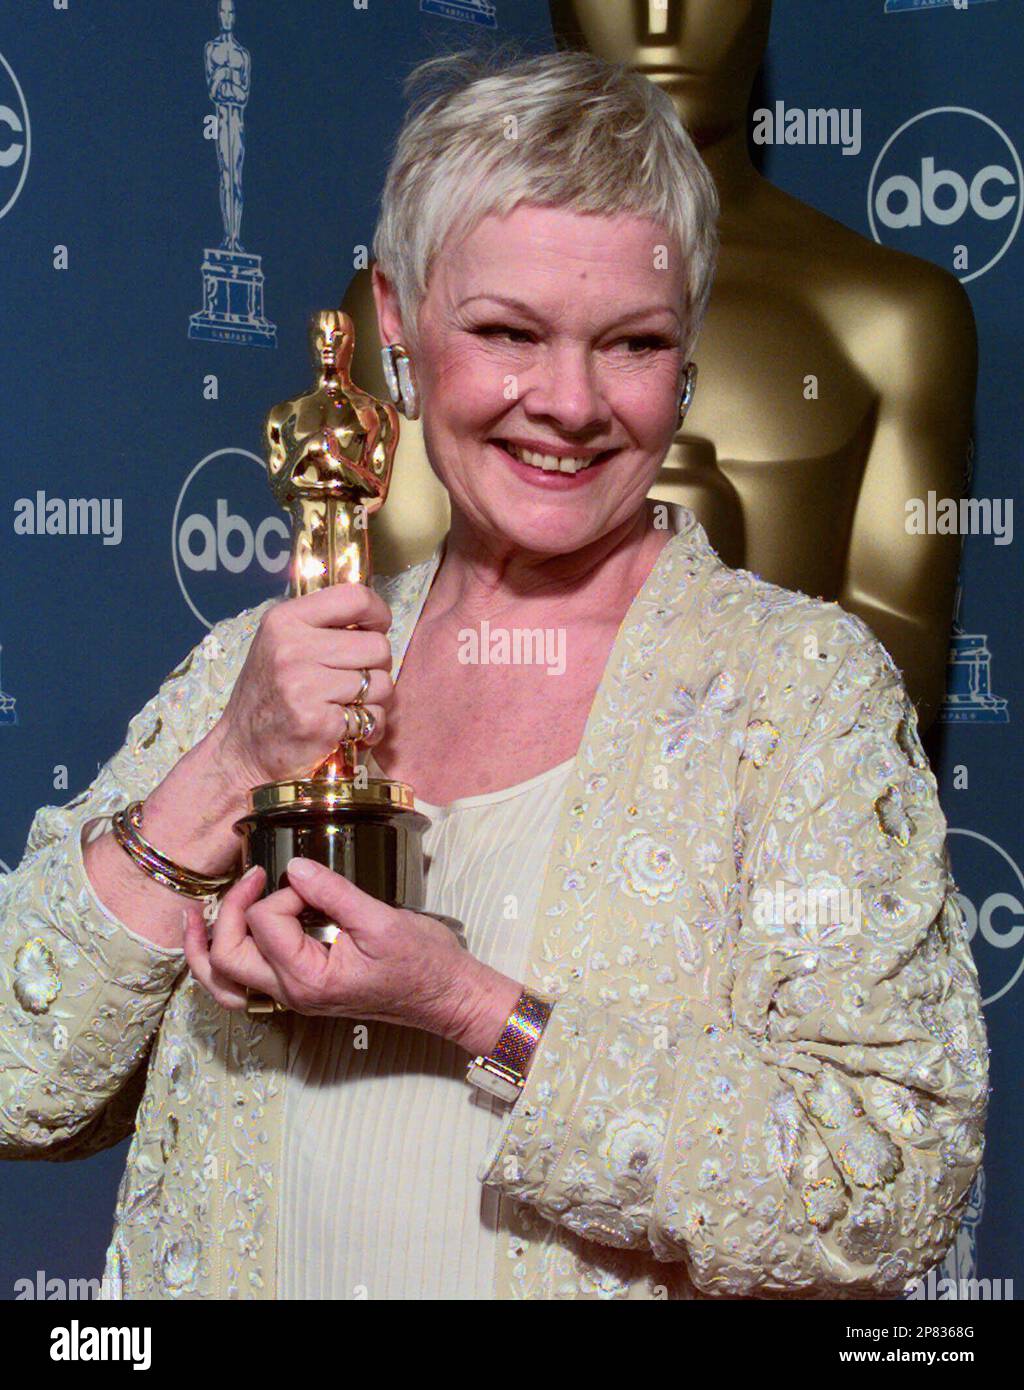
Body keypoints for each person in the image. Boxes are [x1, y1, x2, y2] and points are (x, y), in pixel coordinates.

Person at [0, 49, 988, 1301]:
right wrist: (228, 765)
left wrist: (471, 1007)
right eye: (508, 331)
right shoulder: (258, 672)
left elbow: (885, 1179)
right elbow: (18, 1084)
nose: (567, 404)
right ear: (399, 324)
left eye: (627, 343)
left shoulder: (795, 696)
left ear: (685, 354)